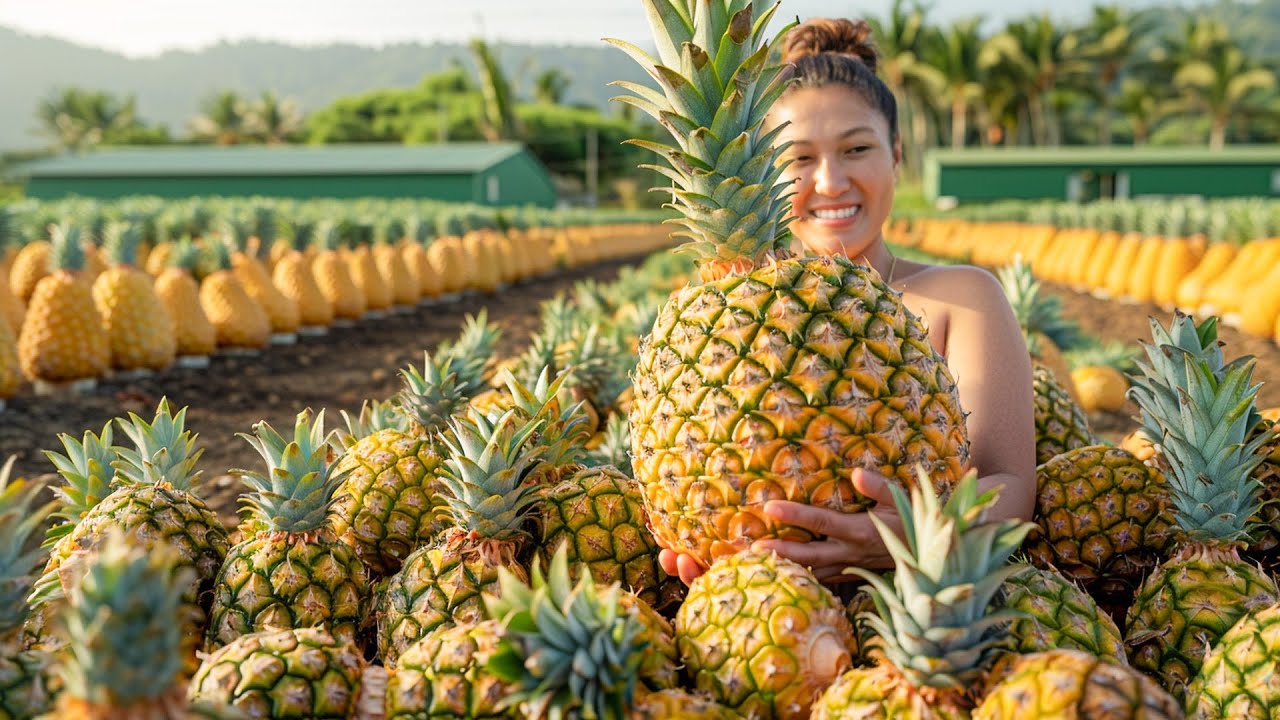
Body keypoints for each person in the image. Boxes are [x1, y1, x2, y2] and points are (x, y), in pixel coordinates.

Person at [657, 17, 1036, 588]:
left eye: (857, 148)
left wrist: (916, 537)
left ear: (896, 154)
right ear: (762, 174)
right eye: (799, 158)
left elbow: (1008, 481)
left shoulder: (965, 298)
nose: (831, 181)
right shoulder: (718, 323)